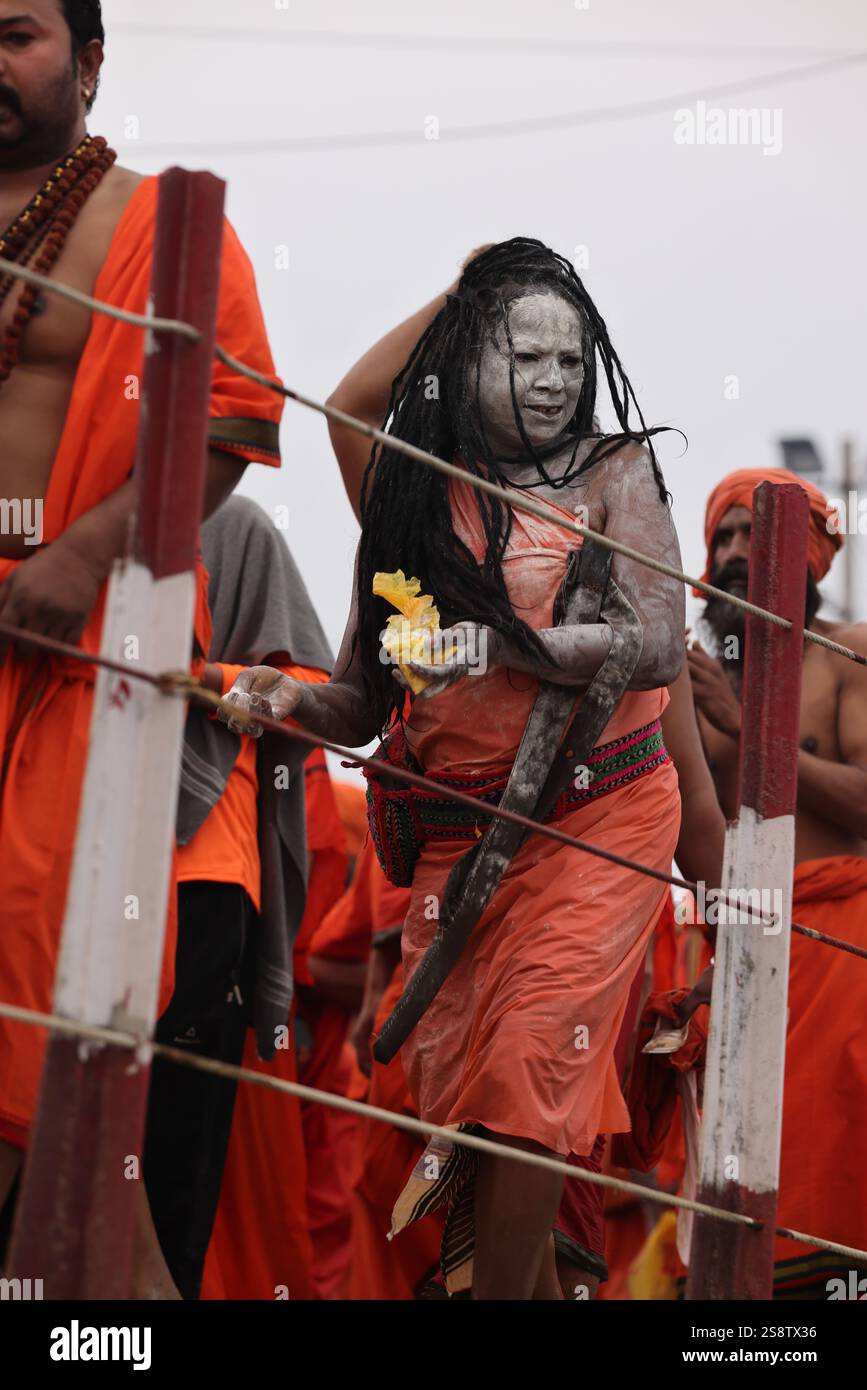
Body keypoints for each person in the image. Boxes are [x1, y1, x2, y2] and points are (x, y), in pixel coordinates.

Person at [223, 238, 685, 1299]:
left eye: (572, 358)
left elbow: (658, 637)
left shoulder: (616, 470)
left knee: (528, 1067)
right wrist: (284, 697)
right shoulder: (414, 500)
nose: (556, 379)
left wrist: (511, 646)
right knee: (468, 1108)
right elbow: (362, 695)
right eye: (525, 353)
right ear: (468, 356)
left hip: (597, 820)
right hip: (454, 848)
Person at [0, 1, 283, 1285]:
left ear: (92, 59)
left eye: (17, 34)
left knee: (65, 1080)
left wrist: (74, 559)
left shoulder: (160, 222)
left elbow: (224, 422)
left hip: (77, 671)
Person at [143, 495, 334, 1300]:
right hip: (52, 853)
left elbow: (318, 693)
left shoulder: (230, 523)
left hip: (198, 875)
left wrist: (203, 682)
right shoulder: (50, 504)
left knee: (168, 1176)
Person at [684, 466, 867, 1297]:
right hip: (735, 954)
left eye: (749, 535)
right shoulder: (682, 680)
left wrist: (746, 728)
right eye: (719, 536)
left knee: (824, 1192)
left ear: (807, 557)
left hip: (843, 957)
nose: (728, 553)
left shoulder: (847, 660)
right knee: (728, 1220)